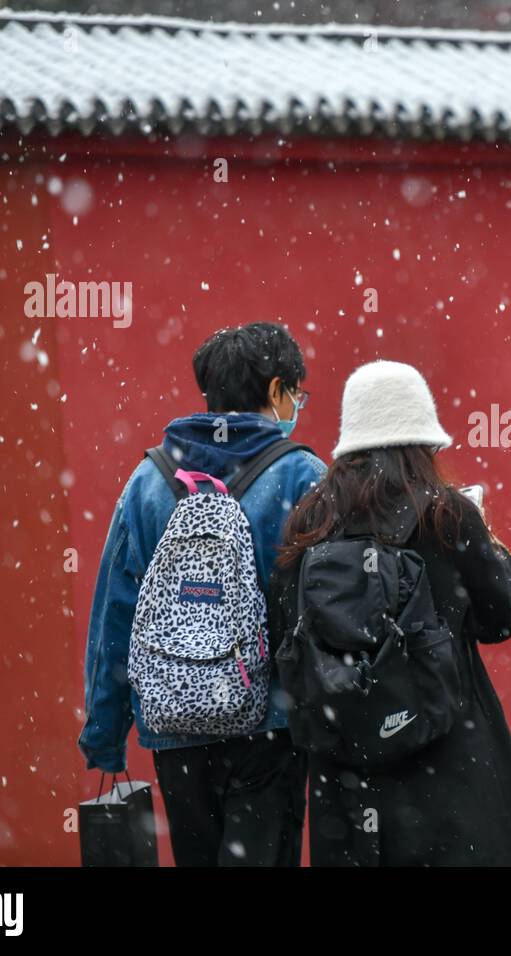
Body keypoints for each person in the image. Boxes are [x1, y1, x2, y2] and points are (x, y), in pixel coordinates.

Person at [269, 360, 511, 866]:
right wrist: (488, 539)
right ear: (423, 441)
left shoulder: (309, 523)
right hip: (447, 758)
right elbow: (502, 617)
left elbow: (284, 634)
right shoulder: (446, 514)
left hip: (347, 778)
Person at [78, 322, 327, 866]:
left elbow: (115, 613)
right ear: (275, 390)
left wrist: (104, 732)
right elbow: (329, 608)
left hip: (176, 728)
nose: (296, 406)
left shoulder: (147, 481)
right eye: (296, 393)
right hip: (269, 727)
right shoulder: (302, 477)